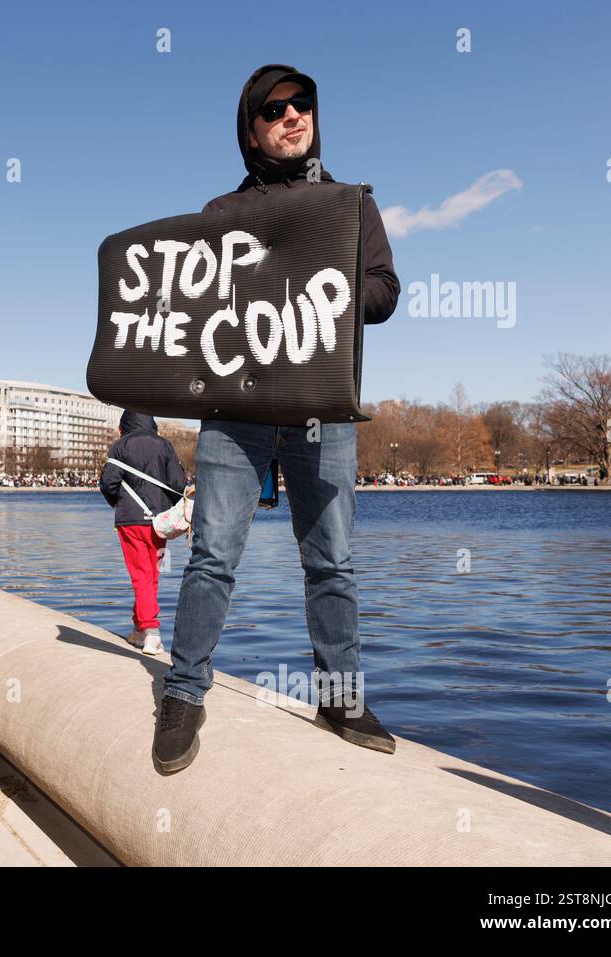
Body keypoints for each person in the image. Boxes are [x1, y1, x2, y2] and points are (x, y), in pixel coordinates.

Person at [152, 64, 402, 774]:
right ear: (251, 129)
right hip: (238, 409)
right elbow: (195, 311)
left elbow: (384, 294)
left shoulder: (351, 205)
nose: (292, 117)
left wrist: (324, 268)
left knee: (332, 560)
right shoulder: (221, 213)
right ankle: (183, 690)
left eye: (303, 106)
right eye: (274, 109)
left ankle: (340, 696)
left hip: (323, 408)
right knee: (211, 554)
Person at [99, 411, 187, 656]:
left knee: (140, 576)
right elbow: (178, 484)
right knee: (152, 576)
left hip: (130, 521)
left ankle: (151, 633)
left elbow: (108, 483)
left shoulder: (120, 446)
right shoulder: (164, 445)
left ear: (123, 426)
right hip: (159, 522)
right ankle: (140, 629)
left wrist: (119, 503)